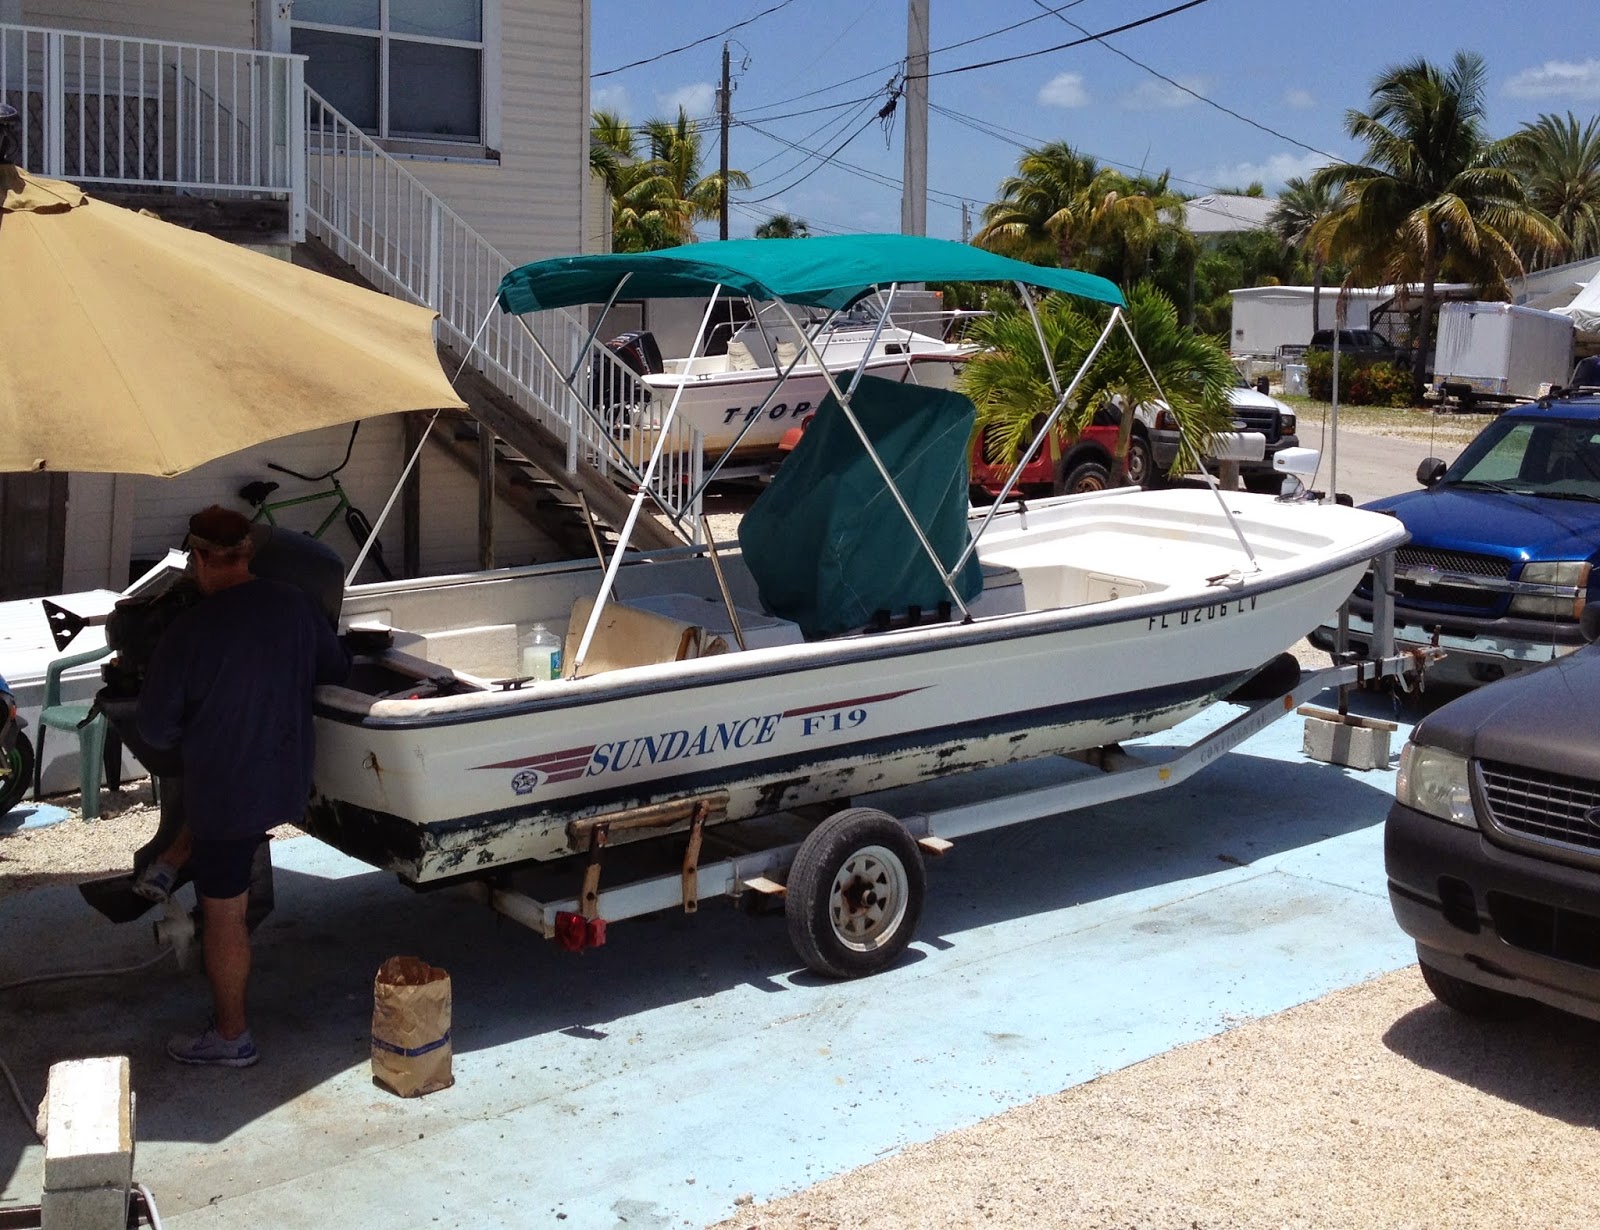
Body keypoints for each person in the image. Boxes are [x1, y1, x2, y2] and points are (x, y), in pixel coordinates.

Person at [136, 506, 348, 1068]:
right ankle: (173, 857)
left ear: (200, 559)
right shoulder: (296, 605)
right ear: (248, 553)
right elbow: (337, 667)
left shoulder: (189, 631)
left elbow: (156, 729)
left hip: (231, 795)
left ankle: (232, 1037)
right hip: (285, 779)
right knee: (215, 813)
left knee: (224, 913)